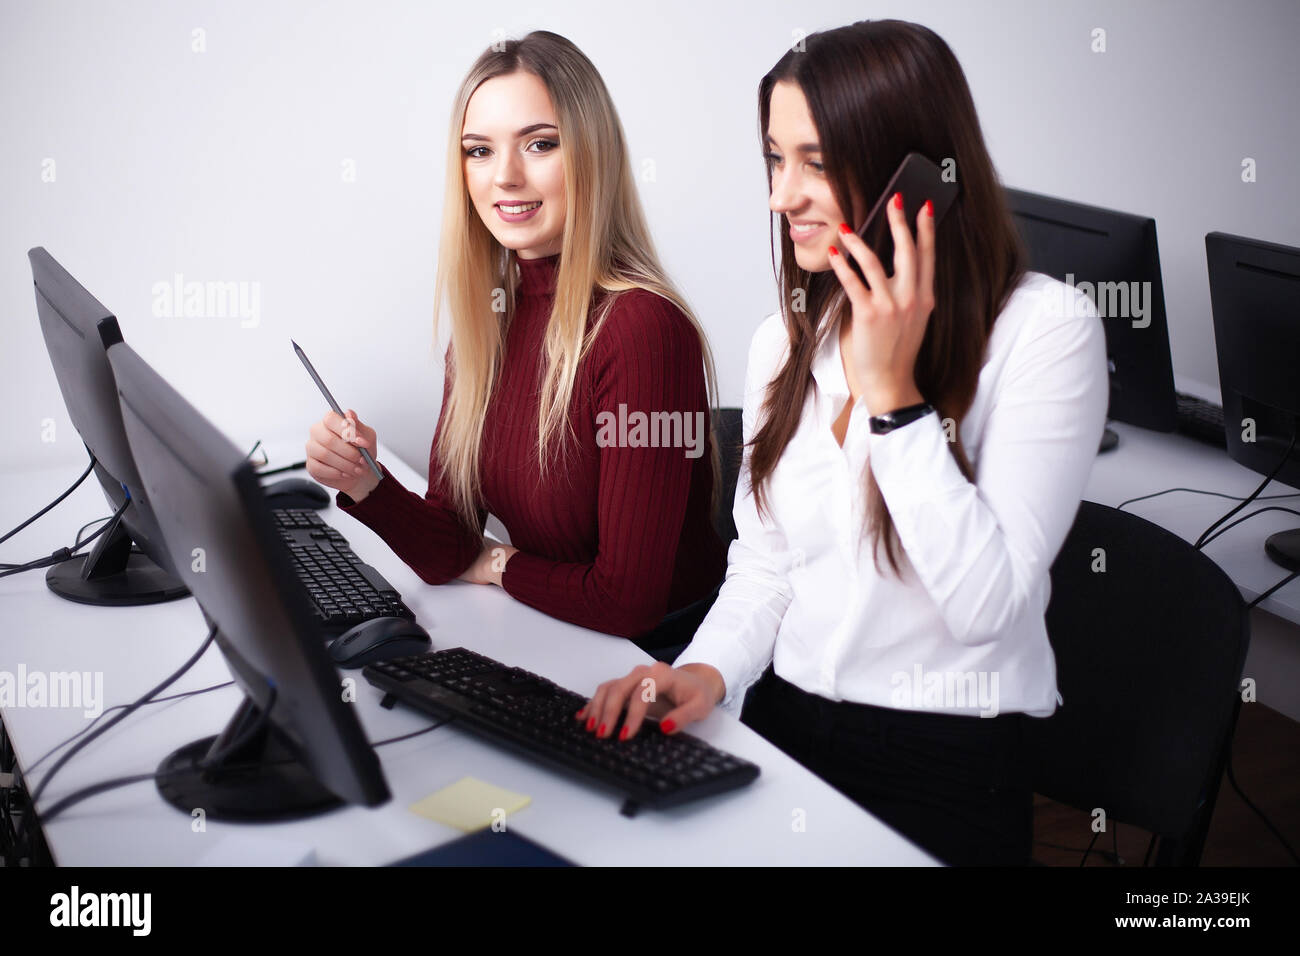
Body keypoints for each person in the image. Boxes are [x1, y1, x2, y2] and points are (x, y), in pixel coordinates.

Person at [575, 19, 1109, 865]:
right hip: (784, 724)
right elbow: (767, 566)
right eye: (774, 160)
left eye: (815, 163)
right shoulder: (785, 341)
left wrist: (896, 403)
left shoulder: (1045, 330)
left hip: (944, 763)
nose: (781, 196)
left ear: (917, 173)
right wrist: (704, 672)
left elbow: (985, 609)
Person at [304, 31, 726, 650]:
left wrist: (499, 563)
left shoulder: (644, 329)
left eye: (540, 144)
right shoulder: (489, 324)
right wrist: (365, 482)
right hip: (558, 630)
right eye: (479, 150)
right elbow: (452, 546)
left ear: (594, 155)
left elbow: (627, 604)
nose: (505, 175)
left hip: (656, 659)